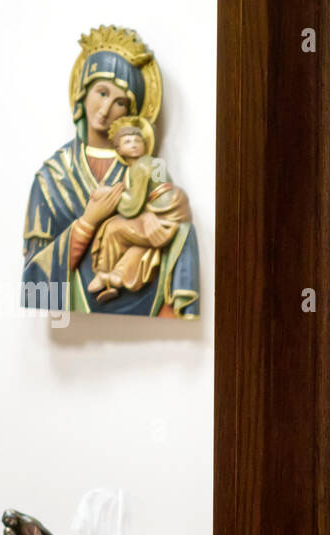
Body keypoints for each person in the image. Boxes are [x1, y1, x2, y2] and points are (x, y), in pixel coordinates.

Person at [20, 26, 200, 318]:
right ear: (83, 92)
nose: (105, 109)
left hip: (145, 296)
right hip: (76, 305)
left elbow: (174, 211)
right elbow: (32, 281)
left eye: (119, 102)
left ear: (132, 112)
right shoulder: (51, 178)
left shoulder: (142, 167)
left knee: (184, 232)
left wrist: (161, 217)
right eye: (101, 93)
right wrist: (88, 222)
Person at [86, 115, 193, 303]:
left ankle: (103, 271)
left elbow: (133, 206)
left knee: (113, 228)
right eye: (128, 141)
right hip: (166, 210)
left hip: (165, 213)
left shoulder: (145, 164)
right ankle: (116, 277)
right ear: (119, 149)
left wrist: (109, 194)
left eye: (138, 140)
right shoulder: (147, 165)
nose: (134, 144)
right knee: (139, 246)